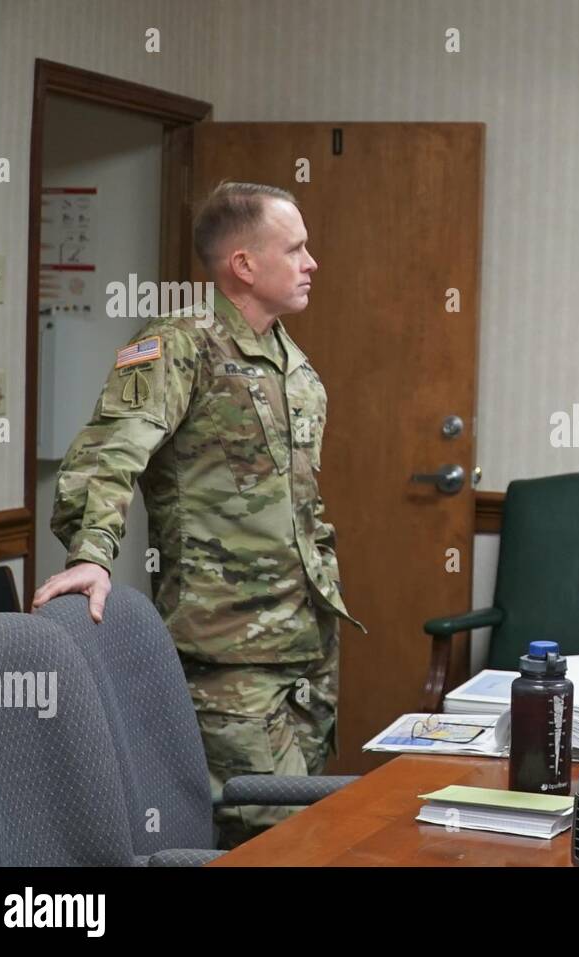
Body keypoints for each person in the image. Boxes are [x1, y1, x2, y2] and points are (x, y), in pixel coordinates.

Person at [33, 181, 363, 847]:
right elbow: (108, 452)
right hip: (226, 656)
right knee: (272, 841)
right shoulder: (179, 345)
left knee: (303, 828)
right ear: (244, 264)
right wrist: (91, 555)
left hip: (304, 646)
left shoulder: (289, 360)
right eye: (295, 248)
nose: (311, 262)